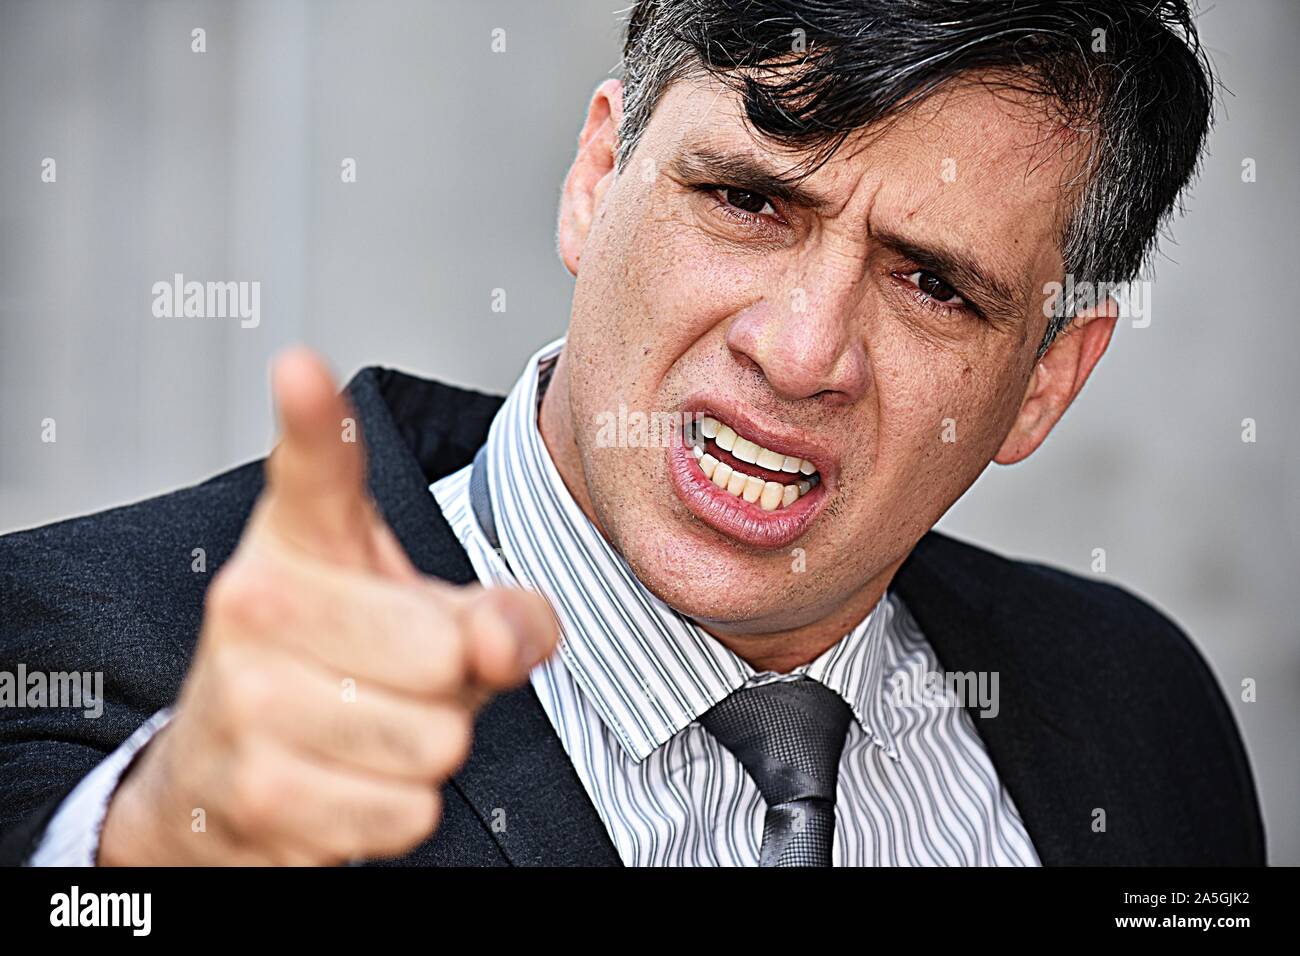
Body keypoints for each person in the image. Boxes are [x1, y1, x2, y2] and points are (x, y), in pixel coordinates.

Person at [1, 0, 1265, 866]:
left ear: (1046, 378)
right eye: (748, 200)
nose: (799, 350)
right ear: (595, 178)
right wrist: (164, 838)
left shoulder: (1134, 707)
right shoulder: (69, 635)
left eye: (931, 283)